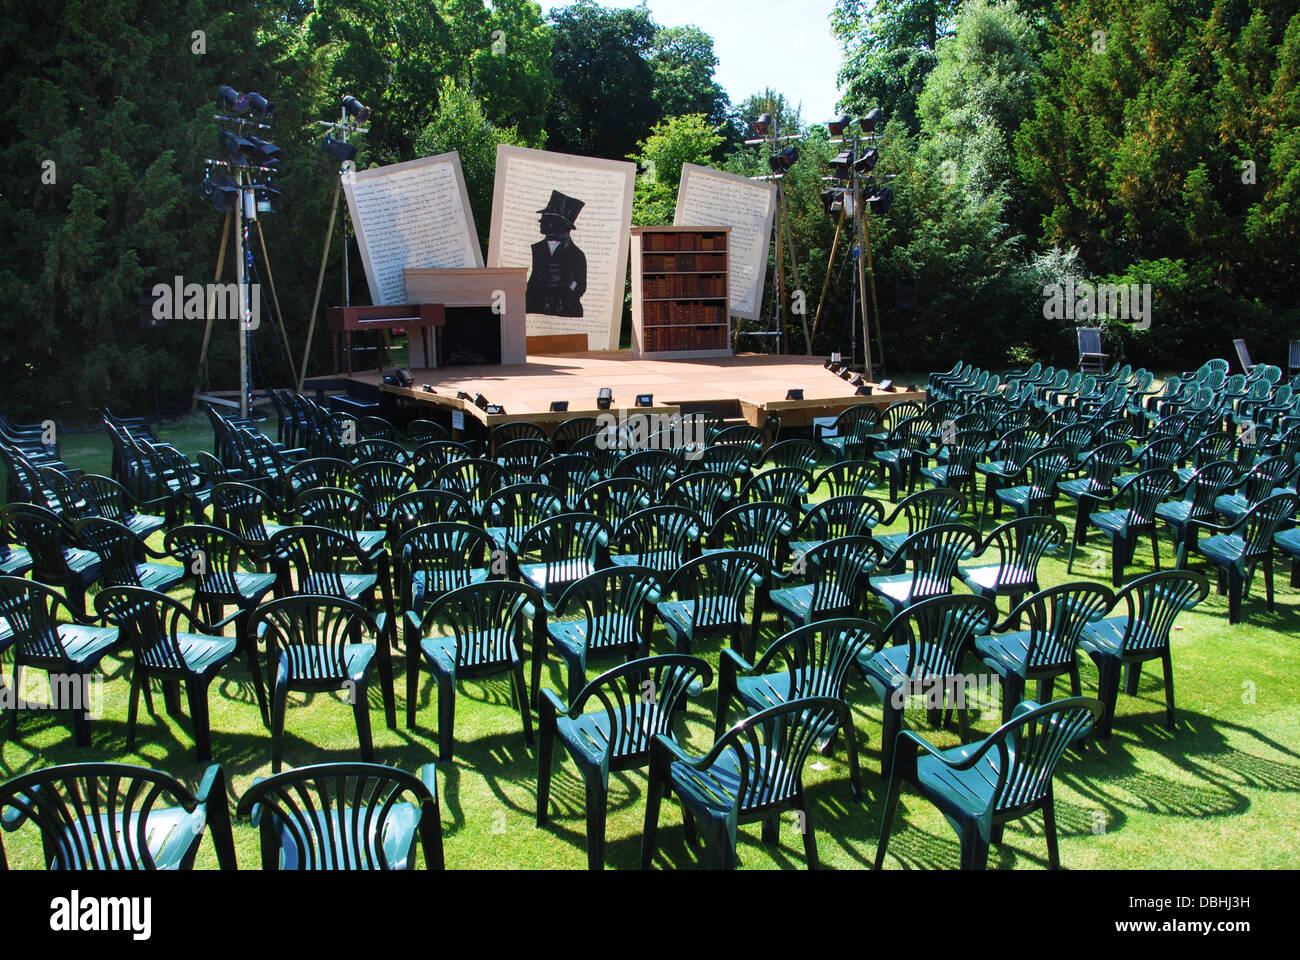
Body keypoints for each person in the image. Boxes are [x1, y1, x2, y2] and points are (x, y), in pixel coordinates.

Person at [526, 190, 587, 317]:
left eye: (547, 218)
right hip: (534, 307)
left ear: (561, 224)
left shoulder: (577, 255)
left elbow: (579, 283)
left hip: (564, 309)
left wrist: (565, 293)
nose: (541, 222)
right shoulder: (537, 249)